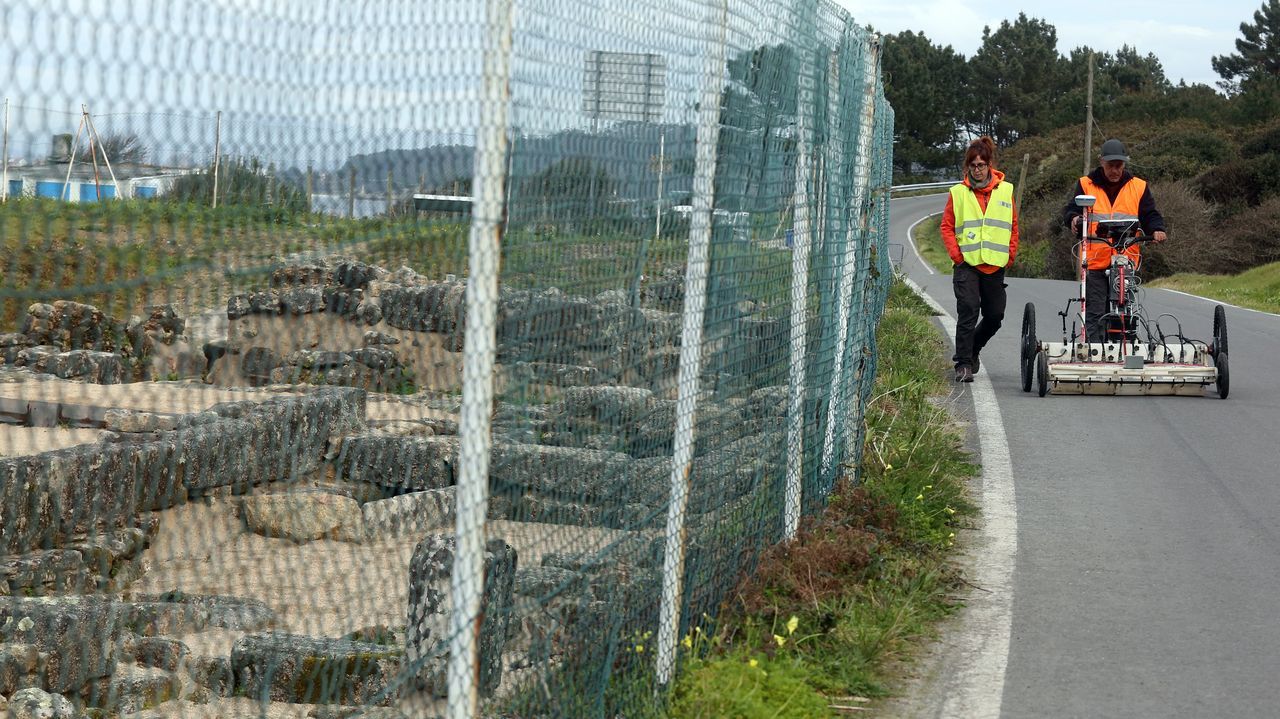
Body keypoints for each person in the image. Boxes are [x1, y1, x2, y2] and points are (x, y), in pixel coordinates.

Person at [1062, 138, 1167, 343]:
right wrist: (1073, 219)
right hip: (1095, 260)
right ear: (1101, 162)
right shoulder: (1086, 184)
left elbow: (1150, 214)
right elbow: (1071, 209)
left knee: (1125, 312)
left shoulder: (1138, 187)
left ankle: (1123, 355)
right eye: (1111, 166)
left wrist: (1157, 229)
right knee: (1096, 312)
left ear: (1124, 164)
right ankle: (1095, 354)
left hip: (1125, 261)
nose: (1115, 171)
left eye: (1119, 166)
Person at [941, 136, 1018, 383]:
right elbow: (947, 226)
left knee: (995, 316)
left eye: (981, 165)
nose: (977, 170)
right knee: (968, 310)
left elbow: (1012, 225)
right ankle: (963, 363)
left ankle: (973, 348)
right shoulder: (958, 193)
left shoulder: (1006, 190)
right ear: (967, 167)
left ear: (989, 165)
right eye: (972, 166)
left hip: (995, 264)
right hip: (967, 264)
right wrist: (957, 255)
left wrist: (1009, 255)